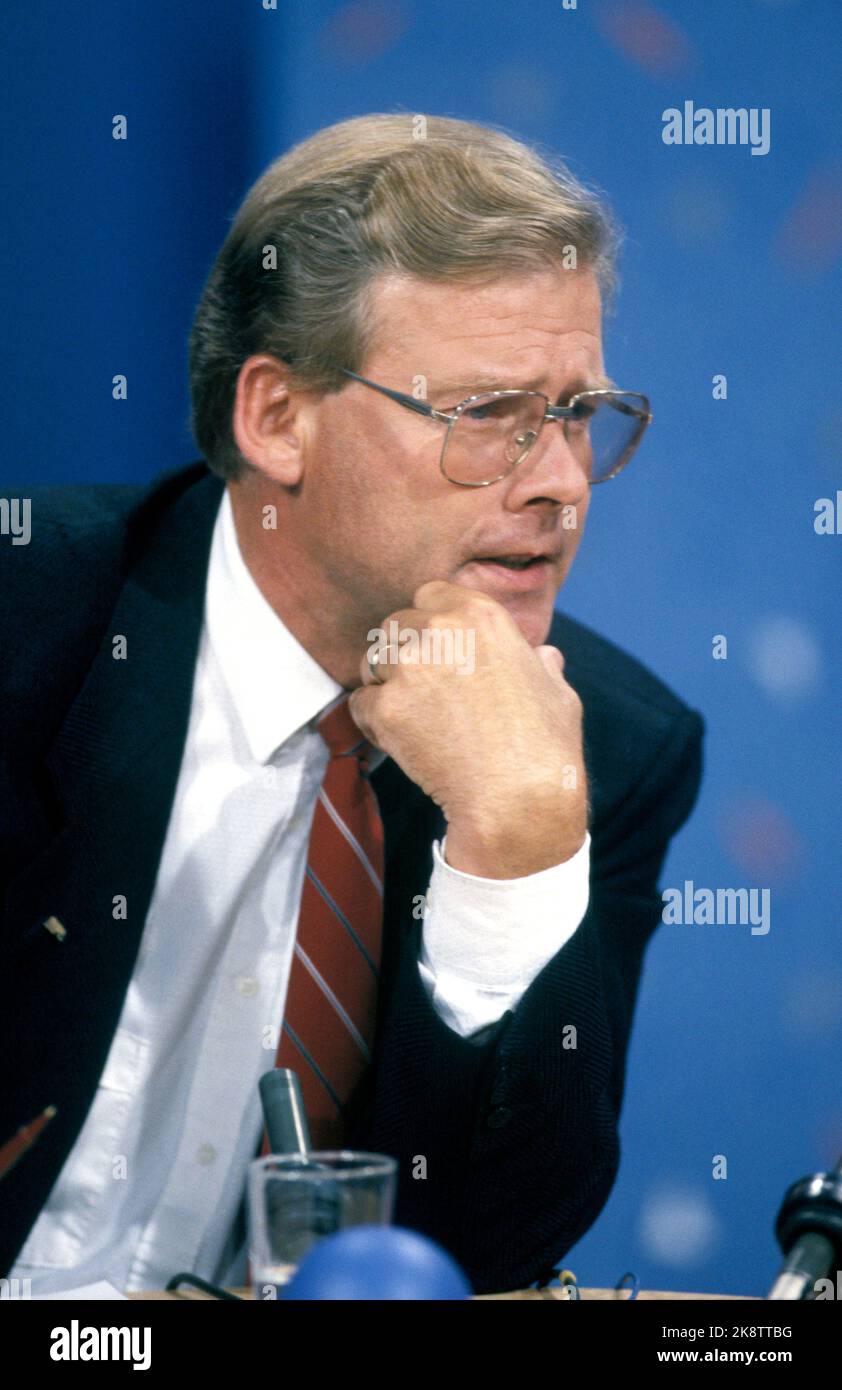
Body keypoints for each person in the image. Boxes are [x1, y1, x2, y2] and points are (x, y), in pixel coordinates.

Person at [0, 113, 704, 1295]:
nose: (559, 482)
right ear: (278, 417)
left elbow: (496, 1255)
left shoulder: (611, 747)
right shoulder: (28, 622)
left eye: (577, 412)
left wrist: (517, 855)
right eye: (486, 413)